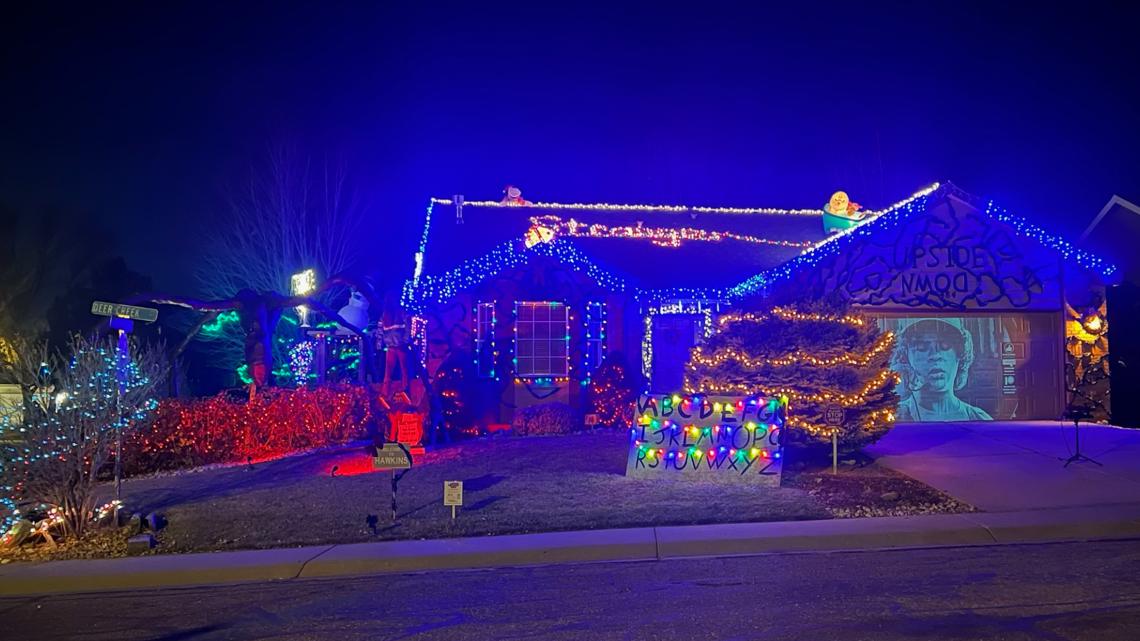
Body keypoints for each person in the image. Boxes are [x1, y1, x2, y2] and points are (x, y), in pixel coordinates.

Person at [892, 318, 993, 421]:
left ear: (960, 354)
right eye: (921, 347)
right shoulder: (893, 418)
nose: (935, 355)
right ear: (905, 356)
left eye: (945, 345)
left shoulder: (979, 418)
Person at [380, 292, 410, 397]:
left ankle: (386, 393)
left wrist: (381, 344)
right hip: (399, 345)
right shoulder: (400, 312)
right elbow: (407, 327)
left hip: (391, 346)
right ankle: (405, 390)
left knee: (389, 371)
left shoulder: (386, 314)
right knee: (403, 370)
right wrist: (405, 341)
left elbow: (380, 330)